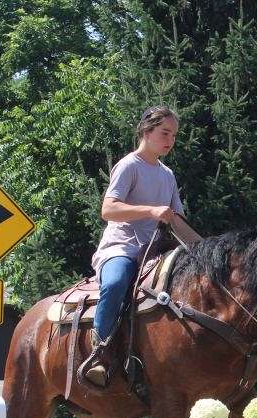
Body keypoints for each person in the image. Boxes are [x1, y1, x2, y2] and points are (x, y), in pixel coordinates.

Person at [83, 105, 201, 387]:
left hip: (157, 251)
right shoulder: (129, 165)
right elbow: (108, 209)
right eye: (165, 133)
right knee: (115, 282)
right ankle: (99, 352)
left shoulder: (167, 174)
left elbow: (177, 220)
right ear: (146, 131)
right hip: (121, 247)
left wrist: (205, 251)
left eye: (173, 135)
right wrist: (150, 211)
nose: (170, 140)